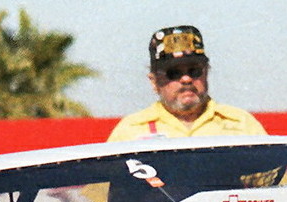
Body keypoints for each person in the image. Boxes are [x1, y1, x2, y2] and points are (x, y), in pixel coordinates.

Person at [107, 26, 266, 141]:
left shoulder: (241, 125)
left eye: (194, 71)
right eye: (173, 73)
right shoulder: (130, 131)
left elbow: (276, 183)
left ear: (206, 73)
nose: (186, 79)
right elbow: (101, 186)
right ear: (154, 82)